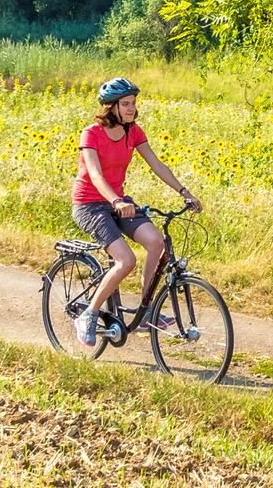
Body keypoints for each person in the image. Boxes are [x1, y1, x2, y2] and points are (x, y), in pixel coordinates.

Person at [69, 76, 200, 349]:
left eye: (133, 103)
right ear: (110, 107)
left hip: (118, 201)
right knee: (125, 260)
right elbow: (94, 175)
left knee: (156, 242)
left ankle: (145, 309)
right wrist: (116, 201)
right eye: (125, 104)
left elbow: (157, 164)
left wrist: (184, 192)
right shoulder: (91, 134)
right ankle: (89, 314)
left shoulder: (133, 132)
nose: (131, 109)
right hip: (91, 204)